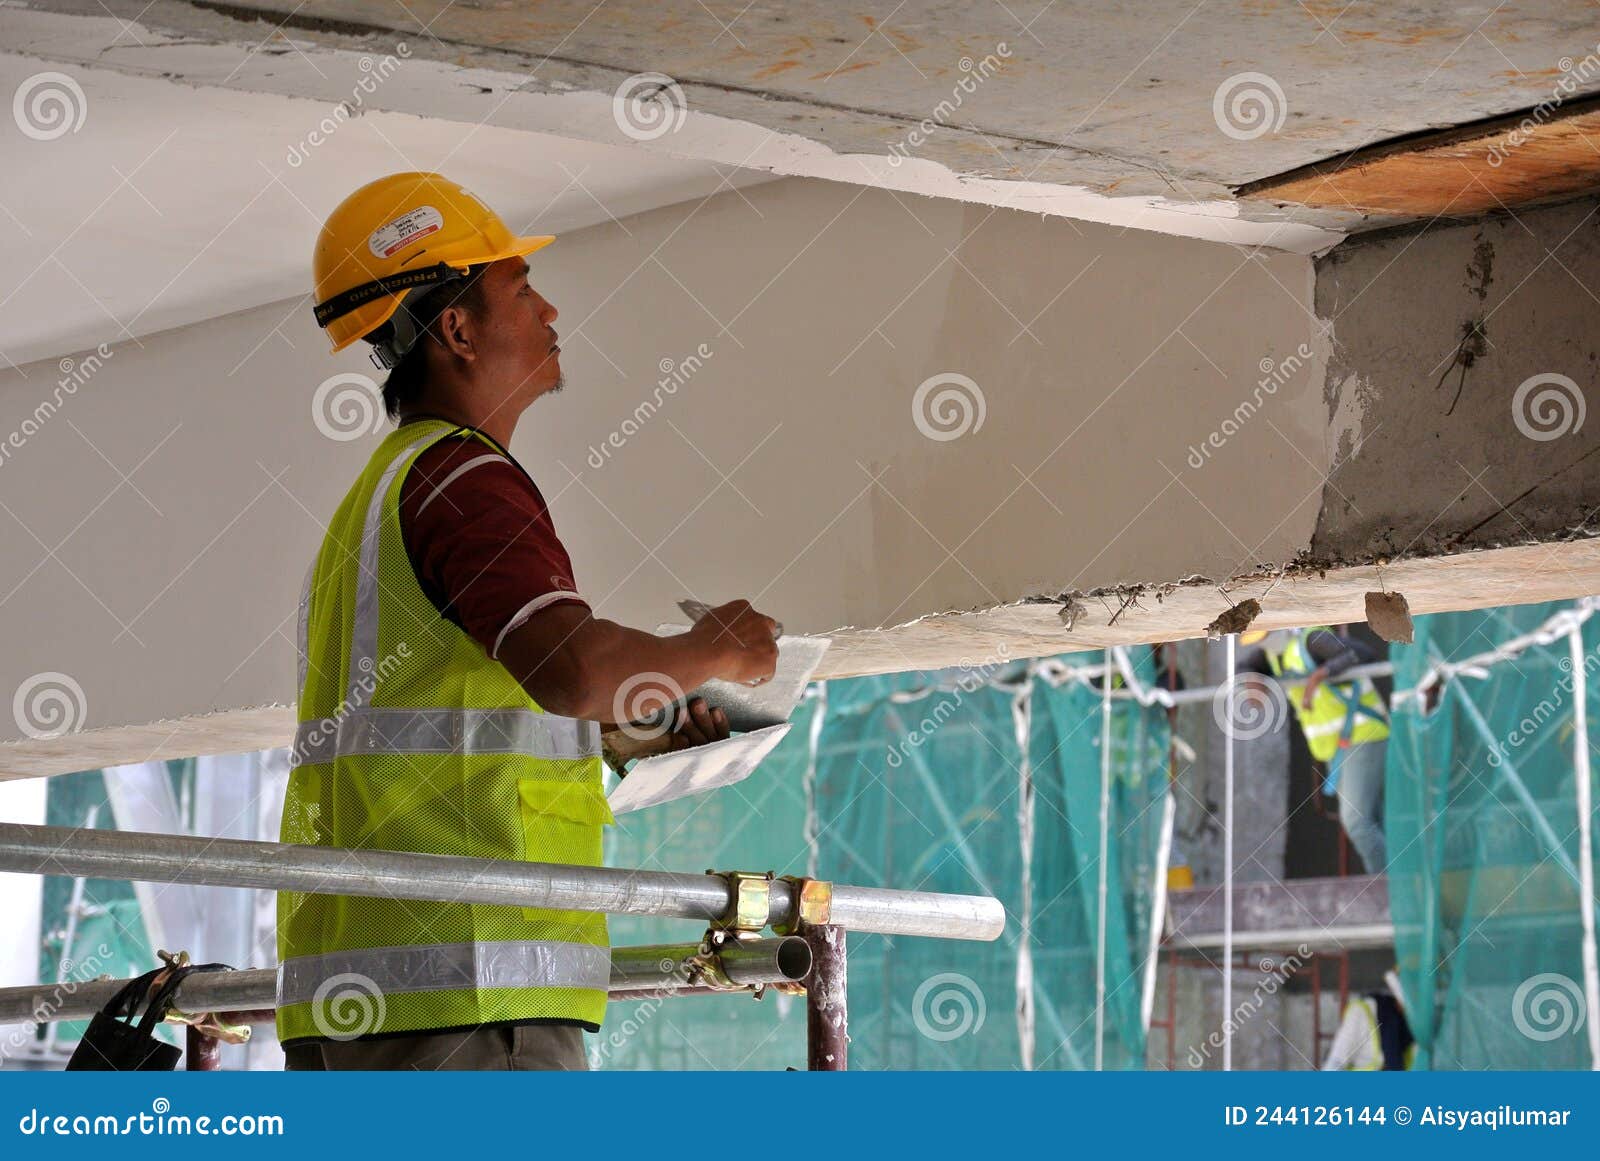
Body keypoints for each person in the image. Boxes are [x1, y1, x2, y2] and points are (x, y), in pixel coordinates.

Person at [277, 172, 780, 1071]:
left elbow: (454, 726)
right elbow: (575, 671)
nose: (548, 307)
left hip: (373, 997)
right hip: (469, 993)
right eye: (517, 288)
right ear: (458, 331)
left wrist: (623, 739)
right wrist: (722, 650)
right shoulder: (464, 480)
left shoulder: (387, 492)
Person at [1237, 626, 1389, 874]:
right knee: (1374, 819)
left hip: (1363, 735)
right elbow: (1244, 667)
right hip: (1336, 749)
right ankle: (1400, 882)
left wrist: (1320, 675)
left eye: (1266, 637)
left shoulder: (1312, 640)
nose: (1263, 644)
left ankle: (1387, 884)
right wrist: (1252, 682)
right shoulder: (1276, 655)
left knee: (1357, 822)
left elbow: (1356, 654)